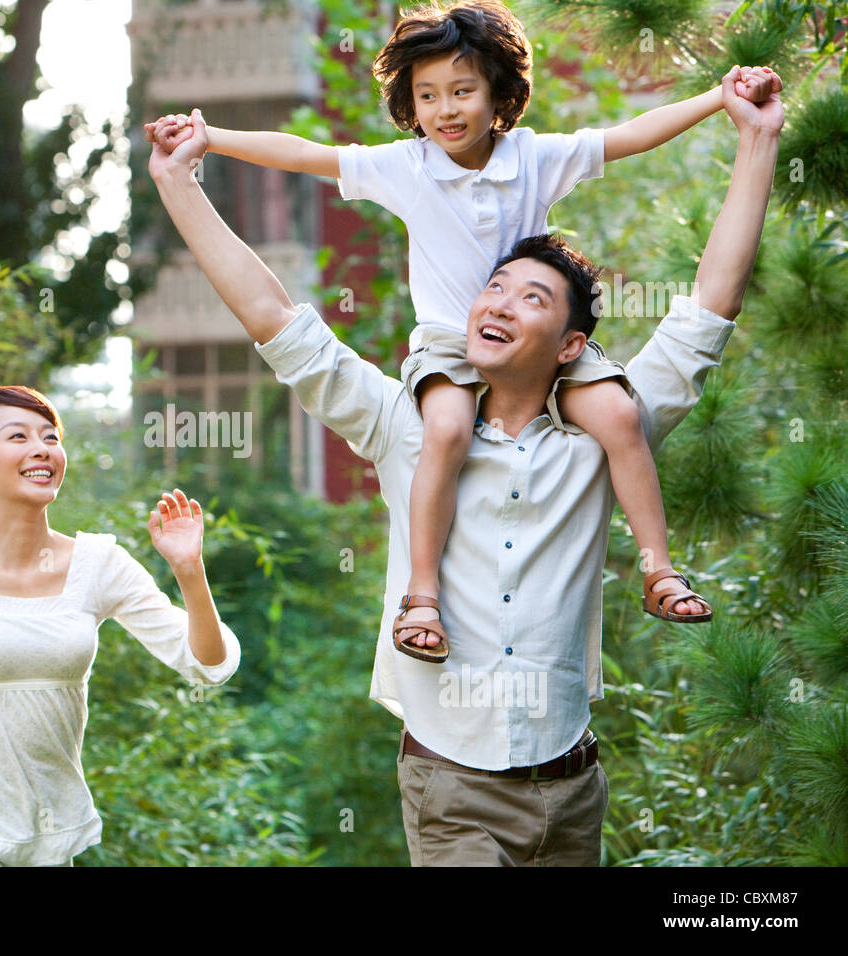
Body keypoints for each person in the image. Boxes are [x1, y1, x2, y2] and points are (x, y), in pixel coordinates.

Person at [146, 68, 781, 864]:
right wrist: (181, 184)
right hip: (452, 790)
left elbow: (707, 312)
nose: (499, 304)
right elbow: (277, 319)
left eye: (533, 300)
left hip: (574, 787)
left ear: (573, 347)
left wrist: (757, 139)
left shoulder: (604, 438)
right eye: (494, 288)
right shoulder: (404, 425)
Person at [147, 0, 782, 663]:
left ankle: (659, 569)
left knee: (621, 417)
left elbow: (631, 134)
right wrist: (210, 138)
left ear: (500, 94)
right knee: (443, 432)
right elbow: (306, 153)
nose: (444, 109)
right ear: (409, 104)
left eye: (461, 90)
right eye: (426, 96)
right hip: (450, 346)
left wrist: (719, 98)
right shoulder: (408, 167)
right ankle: (422, 594)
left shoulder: (536, 157)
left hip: (543, 355)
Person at [0, 385, 240, 866]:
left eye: (50, 436)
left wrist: (189, 569)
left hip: (48, 835)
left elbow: (207, 663)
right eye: (17, 436)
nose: (41, 448)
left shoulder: (99, 565)